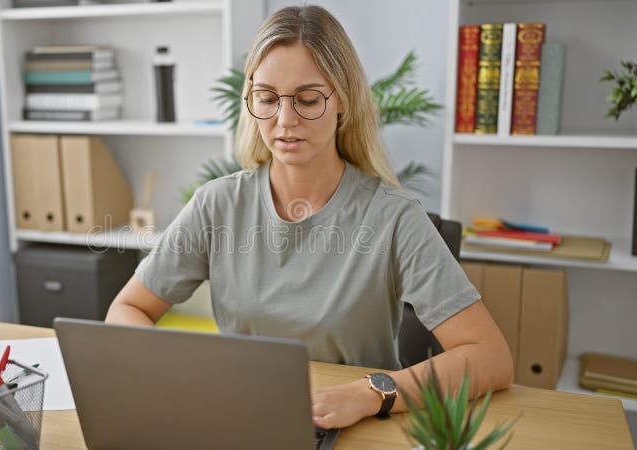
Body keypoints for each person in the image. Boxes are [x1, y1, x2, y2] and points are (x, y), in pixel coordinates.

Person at [106, 5, 513, 430]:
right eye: (267, 99)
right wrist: (179, 371)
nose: (285, 121)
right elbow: (128, 308)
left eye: (307, 99)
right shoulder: (217, 205)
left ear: (343, 102)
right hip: (242, 420)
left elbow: (490, 357)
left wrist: (368, 393)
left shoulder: (395, 218)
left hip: (357, 429)